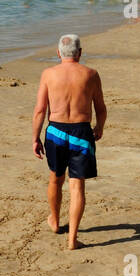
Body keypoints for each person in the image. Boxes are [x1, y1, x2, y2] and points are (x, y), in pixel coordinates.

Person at [32, 34, 106, 248]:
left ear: (58, 53)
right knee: (77, 187)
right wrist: (99, 127)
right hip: (81, 133)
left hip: (55, 131)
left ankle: (54, 220)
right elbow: (100, 108)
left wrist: (35, 137)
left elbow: (40, 110)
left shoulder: (48, 74)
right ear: (80, 53)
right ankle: (72, 239)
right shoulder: (91, 74)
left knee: (55, 178)